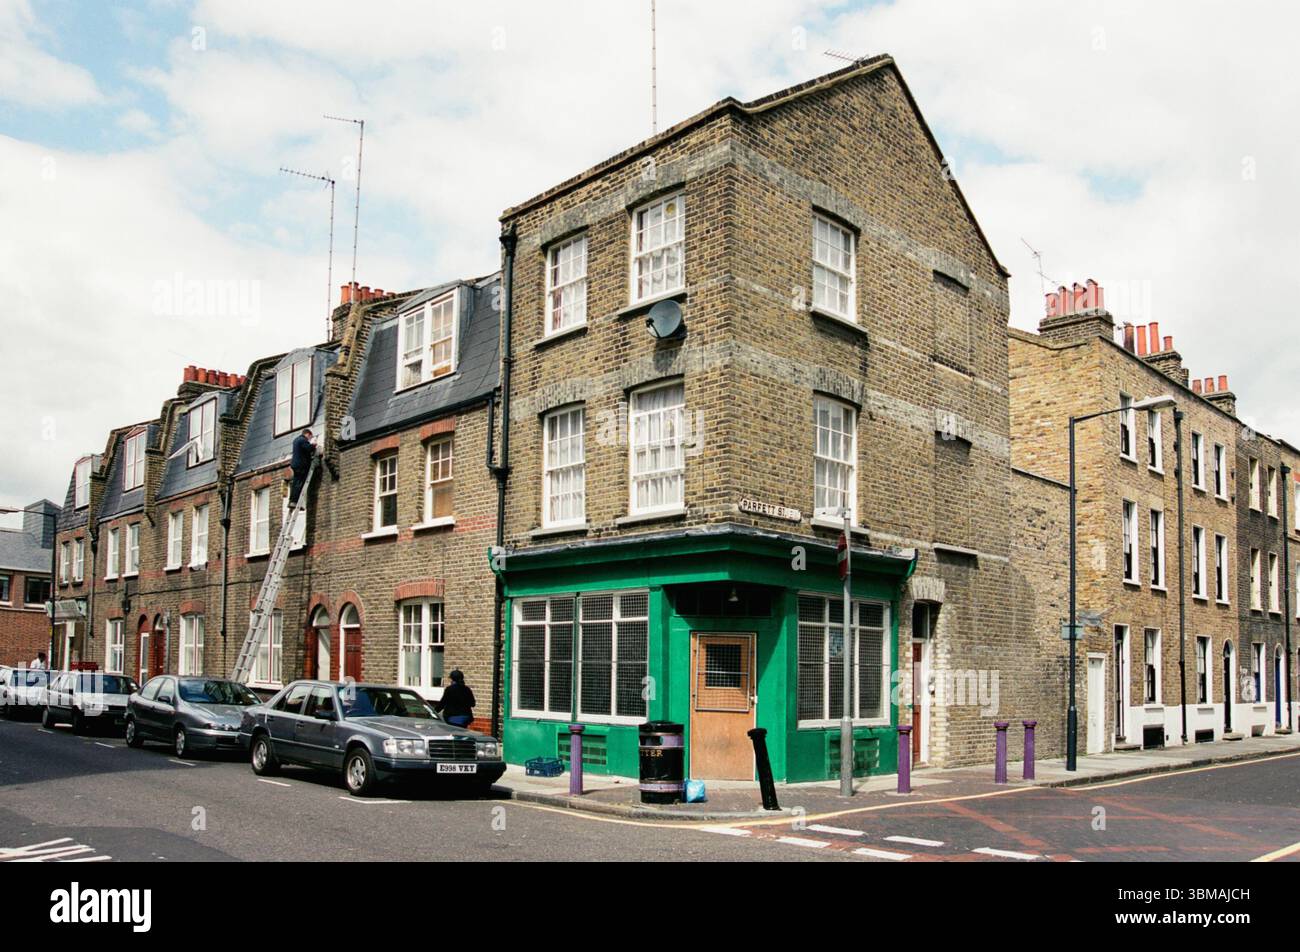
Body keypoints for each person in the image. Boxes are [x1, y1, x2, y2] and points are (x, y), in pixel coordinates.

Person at [289, 428, 316, 505]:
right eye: (310, 437)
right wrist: (313, 445)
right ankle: (295, 501)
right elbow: (308, 448)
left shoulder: (296, 440)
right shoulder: (303, 440)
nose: (309, 439)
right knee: (300, 483)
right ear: (308, 434)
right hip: (301, 465)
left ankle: (292, 500)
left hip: (295, 464)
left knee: (295, 482)